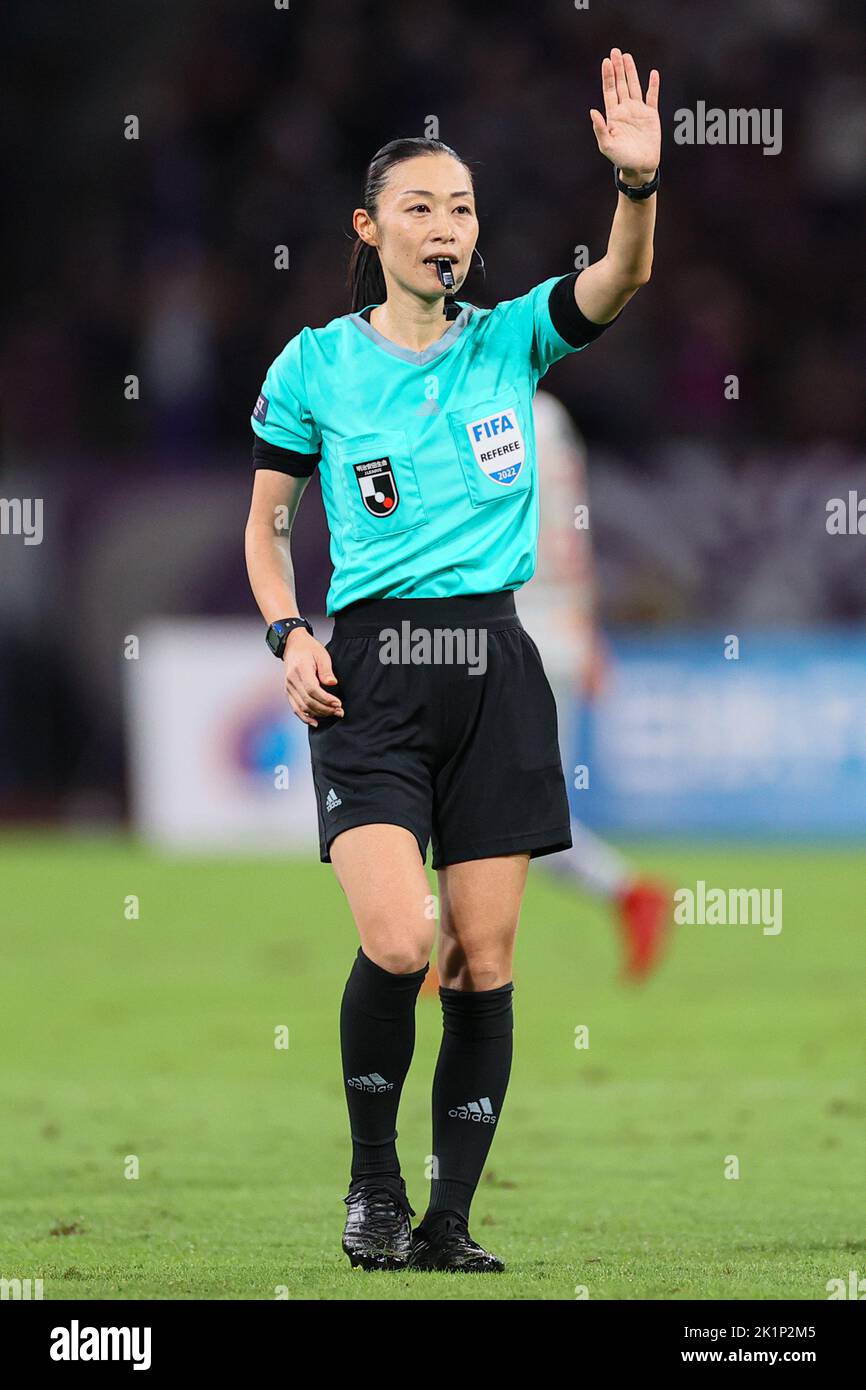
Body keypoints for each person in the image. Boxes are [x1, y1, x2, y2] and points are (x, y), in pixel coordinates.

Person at [244, 48, 661, 1273]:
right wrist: (286, 631)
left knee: (485, 961)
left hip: (493, 664)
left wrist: (633, 192)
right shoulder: (313, 364)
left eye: (463, 208)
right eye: (420, 206)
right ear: (369, 228)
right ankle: (371, 1190)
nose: (446, 226)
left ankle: (447, 1221)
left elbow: (618, 284)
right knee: (397, 940)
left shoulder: (509, 343)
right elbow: (266, 527)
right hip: (365, 672)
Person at [521, 390, 673, 979]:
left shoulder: (490, 406)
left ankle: (631, 891)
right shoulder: (551, 415)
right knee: (503, 811)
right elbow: (569, 532)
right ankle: (444, 952)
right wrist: (585, 627)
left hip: (518, 634)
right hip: (548, 632)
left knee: (523, 819)